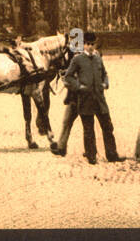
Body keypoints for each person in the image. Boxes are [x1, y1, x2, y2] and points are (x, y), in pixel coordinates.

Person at [51, 31, 122, 164]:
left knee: (107, 126)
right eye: (88, 44)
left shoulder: (98, 58)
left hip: (99, 99)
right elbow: (68, 77)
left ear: (95, 44)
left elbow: (105, 74)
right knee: (88, 129)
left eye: (92, 44)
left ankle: (112, 154)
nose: (90, 47)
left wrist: (105, 83)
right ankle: (91, 155)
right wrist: (79, 87)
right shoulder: (77, 59)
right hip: (85, 99)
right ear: (83, 45)